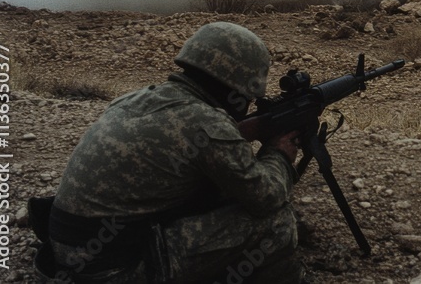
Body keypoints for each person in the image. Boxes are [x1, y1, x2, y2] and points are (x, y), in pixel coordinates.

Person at [35, 22, 304, 283]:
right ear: (237, 85)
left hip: (66, 254)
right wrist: (278, 153)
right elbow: (266, 198)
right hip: (113, 271)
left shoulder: (135, 98)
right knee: (276, 221)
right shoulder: (208, 123)